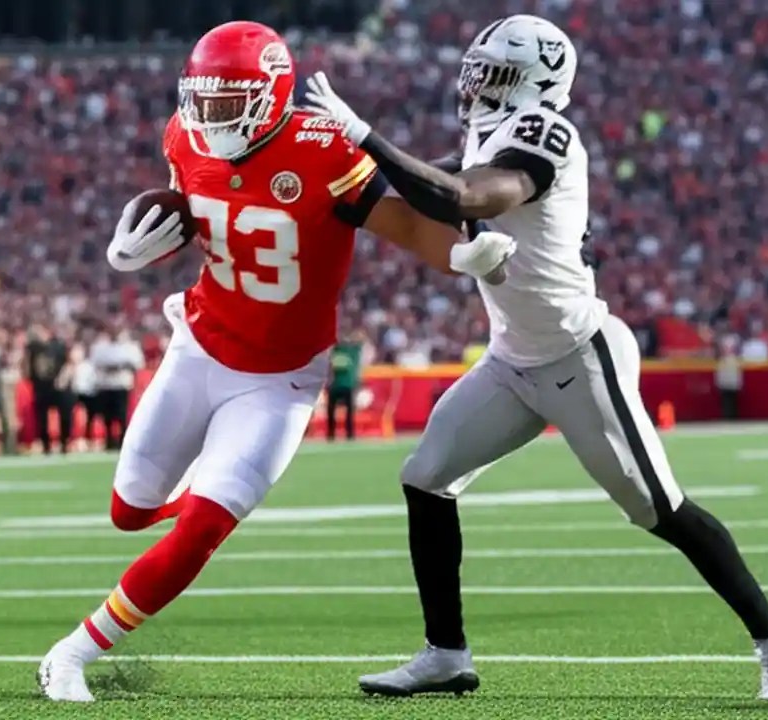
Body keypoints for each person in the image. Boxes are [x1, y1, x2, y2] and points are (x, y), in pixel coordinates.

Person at [306, 14, 768, 701]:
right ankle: (445, 654)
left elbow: (465, 196)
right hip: (512, 361)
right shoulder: (487, 131)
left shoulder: (549, 132)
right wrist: (324, 171)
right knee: (425, 478)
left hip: (579, 356)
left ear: (539, 83)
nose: (480, 85)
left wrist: (362, 135)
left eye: (497, 76)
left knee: (658, 508)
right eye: (478, 72)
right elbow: (416, 195)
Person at [37, 20, 516, 703]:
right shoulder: (183, 136)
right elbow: (198, 213)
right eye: (202, 99)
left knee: (202, 527)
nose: (210, 115)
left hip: (280, 380)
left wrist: (462, 259)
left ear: (271, 96)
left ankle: (71, 652)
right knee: (129, 512)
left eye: (228, 101)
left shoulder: (322, 149)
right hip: (199, 346)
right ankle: (201, 482)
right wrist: (133, 247)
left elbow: (405, 223)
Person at [89, 327, 144, 451]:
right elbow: (95, 363)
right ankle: (109, 440)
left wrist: (121, 365)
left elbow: (138, 364)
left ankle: (122, 440)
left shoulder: (129, 347)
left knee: (121, 415)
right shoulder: (101, 346)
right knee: (107, 416)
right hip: (106, 385)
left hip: (121, 385)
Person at [25, 325, 73, 454]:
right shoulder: (32, 349)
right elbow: (28, 369)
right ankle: (46, 445)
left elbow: (69, 363)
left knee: (65, 416)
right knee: (42, 418)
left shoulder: (57, 346)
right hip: (41, 388)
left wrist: (62, 379)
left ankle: (64, 443)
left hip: (59, 386)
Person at [327, 330, 366, 441]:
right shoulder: (335, 350)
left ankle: (349, 434)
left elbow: (360, 339)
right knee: (332, 411)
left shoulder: (352, 351)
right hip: (336, 385)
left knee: (348, 412)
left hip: (346, 385)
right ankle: (332, 434)